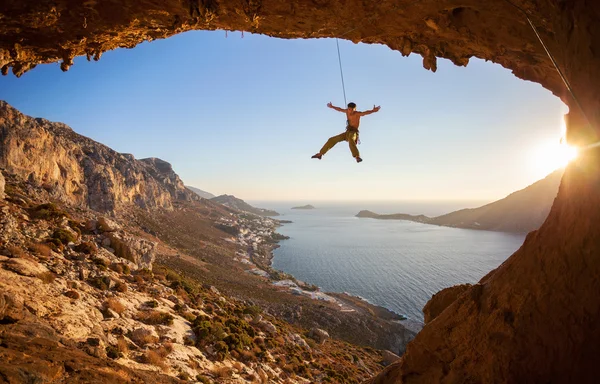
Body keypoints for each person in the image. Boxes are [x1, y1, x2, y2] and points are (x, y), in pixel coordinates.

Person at [311, 102, 381, 163]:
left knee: (351, 139)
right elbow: (339, 109)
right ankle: (320, 154)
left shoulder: (357, 114)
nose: (350, 111)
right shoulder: (347, 111)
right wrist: (332, 106)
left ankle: (357, 156)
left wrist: (373, 110)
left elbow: (365, 113)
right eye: (349, 109)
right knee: (332, 139)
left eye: (352, 110)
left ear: (355, 109)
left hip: (353, 133)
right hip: (347, 133)